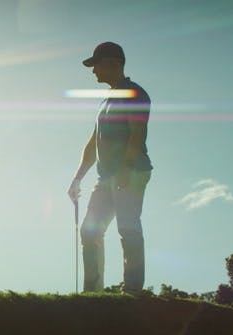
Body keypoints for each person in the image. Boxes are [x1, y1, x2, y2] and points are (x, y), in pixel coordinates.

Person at [67, 42, 153, 294]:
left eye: (97, 65)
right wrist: (77, 179)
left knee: (128, 226)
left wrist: (125, 169)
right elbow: (93, 144)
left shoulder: (135, 93)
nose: (93, 71)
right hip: (106, 177)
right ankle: (92, 293)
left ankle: (133, 291)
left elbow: (137, 135)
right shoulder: (107, 100)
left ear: (114, 63)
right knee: (89, 230)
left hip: (132, 171)